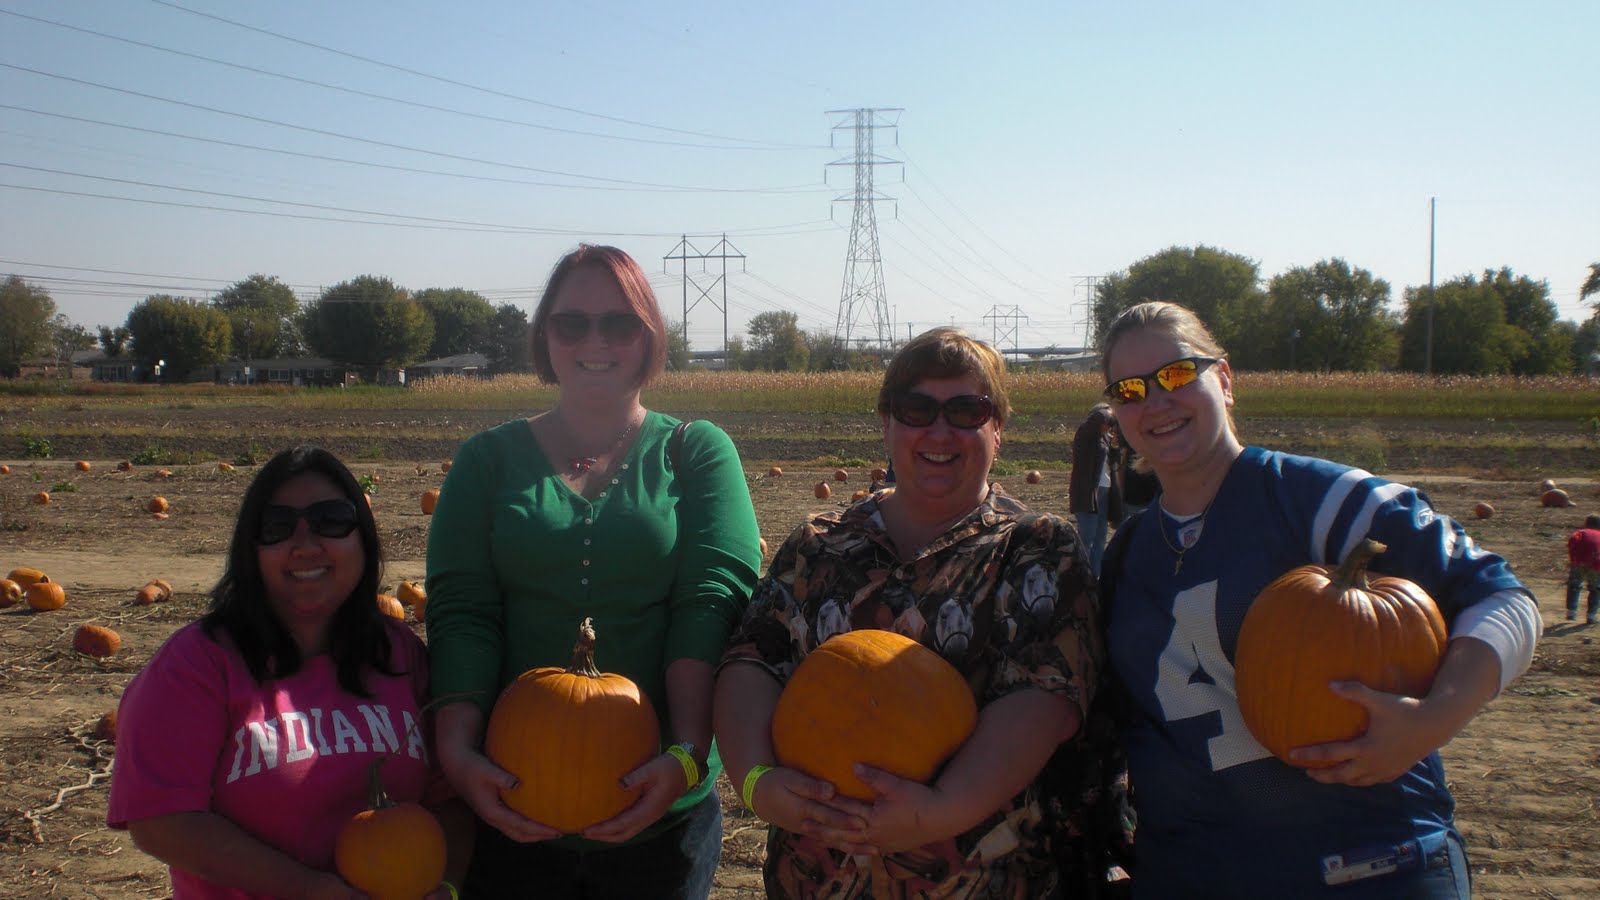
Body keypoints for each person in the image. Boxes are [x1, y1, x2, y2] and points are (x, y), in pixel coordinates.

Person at [1097, 301, 1543, 899]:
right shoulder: (1128, 553)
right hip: (1193, 874)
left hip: (1366, 869)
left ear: (1223, 380)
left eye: (1176, 375)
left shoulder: (1314, 500)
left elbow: (1503, 598)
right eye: (1128, 390)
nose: (1154, 402)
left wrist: (1432, 719)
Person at [713, 326, 1127, 898]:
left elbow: (1045, 698)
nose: (939, 430)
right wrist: (757, 783)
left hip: (983, 880)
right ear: (886, 423)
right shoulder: (818, 544)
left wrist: (938, 811)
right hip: (818, 878)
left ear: (998, 428)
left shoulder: (1034, 547)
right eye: (916, 409)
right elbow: (750, 661)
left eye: (967, 410)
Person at [424, 244, 762, 899]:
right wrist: (459, 756)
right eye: (571, 323)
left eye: (620, 322)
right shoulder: (486, 462)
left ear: (650, 337)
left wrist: (687, 753)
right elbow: (464, 612)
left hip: (662, 814)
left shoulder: (696, 451)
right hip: (508, 802)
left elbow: (710, 602)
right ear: (544, 336)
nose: (594, 340)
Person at [107, 445, 470, 899]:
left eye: (331, 520)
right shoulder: (195, 665)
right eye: (277, 527)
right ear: (252, 549)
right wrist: (309, 890)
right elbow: (160, 821)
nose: (305, 543)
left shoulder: (398, 653)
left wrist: (447, 886)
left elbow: (449, 804)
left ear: (364, 537)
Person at [1070, 402, 1119, 577]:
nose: (1108, 426)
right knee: (1087, 536)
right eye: (1107, 422)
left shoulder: (1104, 437)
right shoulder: (1085, 433)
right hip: (1088, 492)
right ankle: (1079, 574)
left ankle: (1095, 576)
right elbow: (1102, 416)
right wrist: (1113, 413)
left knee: (1100, 537)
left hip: (1104, 490)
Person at [1566, 513, 1600, 624]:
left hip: (1578, 563)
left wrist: (1573, 558)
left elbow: (1572, 540)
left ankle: (1571, 613)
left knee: (1574, 586)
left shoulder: (1581, 533)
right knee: (1595, 589)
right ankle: (1591, 616)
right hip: (1595, 565)